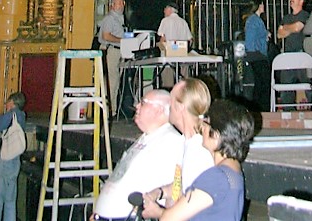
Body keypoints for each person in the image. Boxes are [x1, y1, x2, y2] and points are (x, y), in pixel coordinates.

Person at [142, 99, 254, 221]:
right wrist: (160, 192)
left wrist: (157, 211)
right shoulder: (234, 169)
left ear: (216, 135)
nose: (202, 127)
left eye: (206, 123)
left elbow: (169, 218)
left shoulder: (216, 177)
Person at [92, 90, 183, 220]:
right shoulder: (147, 137)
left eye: (143, 102)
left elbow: (176, 188)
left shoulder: (172, 140)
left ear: (159, 110)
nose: (137, 106)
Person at [143, 79, 213, 209]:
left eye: (171, 101)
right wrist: (160, 192)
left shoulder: (199, 151)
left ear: (180, 107)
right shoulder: (185, 141)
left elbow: (194, 205)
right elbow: (180, 187)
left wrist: (159, 213)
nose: (168, 106)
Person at [0, 93, 26, 221]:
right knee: (10, 201)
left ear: (12, 102)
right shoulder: (21, 115)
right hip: (15, 162)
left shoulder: (11, 114)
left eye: (7, 102)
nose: (5, 104)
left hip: (4, 161)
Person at [276, 0, 311, 105]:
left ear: (301, 1)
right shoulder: (286, 17)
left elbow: (297, 28)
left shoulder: (305, 15)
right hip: (288, 55)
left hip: (302, 54)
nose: (291, 0)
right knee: (286, 85)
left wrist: (286, 28)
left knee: (308, 84)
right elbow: (279, 34)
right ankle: (287, 110)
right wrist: (289, 28)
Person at [99, 0, 126, 113]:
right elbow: (106, 35)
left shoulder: (119, 18)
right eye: (119, 3)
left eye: (122, 3)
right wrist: (122, 40)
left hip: (119, 50)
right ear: (112, 5)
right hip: (111, 50)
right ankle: (109, 109)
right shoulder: (109, 18)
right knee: (112, 80)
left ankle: (112, 109)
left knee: (115, 80)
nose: (122, 5)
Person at [243, 0, 271, 111]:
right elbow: (252, 38)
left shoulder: (251, 20)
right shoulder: (256, 20)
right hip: (258, 54)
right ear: (259, 6)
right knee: (264, 82)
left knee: (259, 82)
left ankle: (257, 108)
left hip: (254, 54)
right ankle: (263, 107)